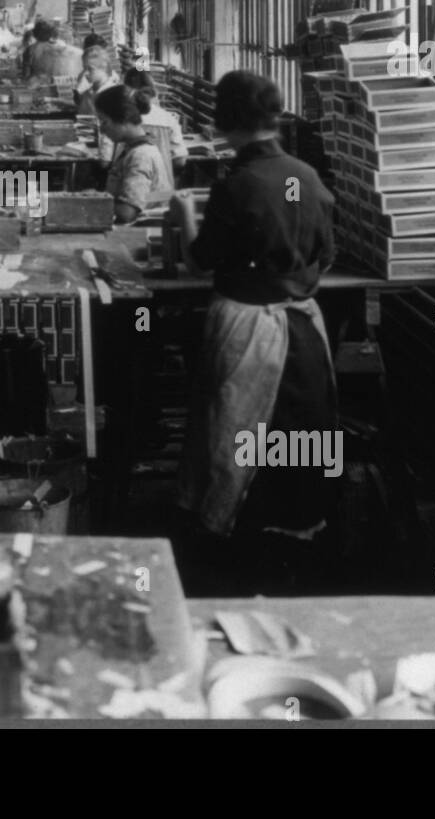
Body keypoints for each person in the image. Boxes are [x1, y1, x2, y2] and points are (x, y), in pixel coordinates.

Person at [172, 71, 338, 557]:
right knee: (304, 429)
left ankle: (234, 527)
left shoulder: (236, 184)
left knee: (237, 426)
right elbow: (325, 255)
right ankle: (300, 525)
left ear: (225, 122)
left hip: (247, 328)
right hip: (304, 329)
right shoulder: (305, 176)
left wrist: (184, 212)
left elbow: (197, 261)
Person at [94, 84, 175, 224]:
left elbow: (127, 212)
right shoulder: (132, 148)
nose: (101, 130)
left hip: (141, 233)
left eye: (104, 122)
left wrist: (93, 202)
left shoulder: (141, 156)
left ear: (123, 119)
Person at [124, 67, 188, 173]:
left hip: (129, 180)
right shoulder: (168, 119)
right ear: (153, 91)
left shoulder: (121, 118)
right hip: (163, 186)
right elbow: (180, 161)